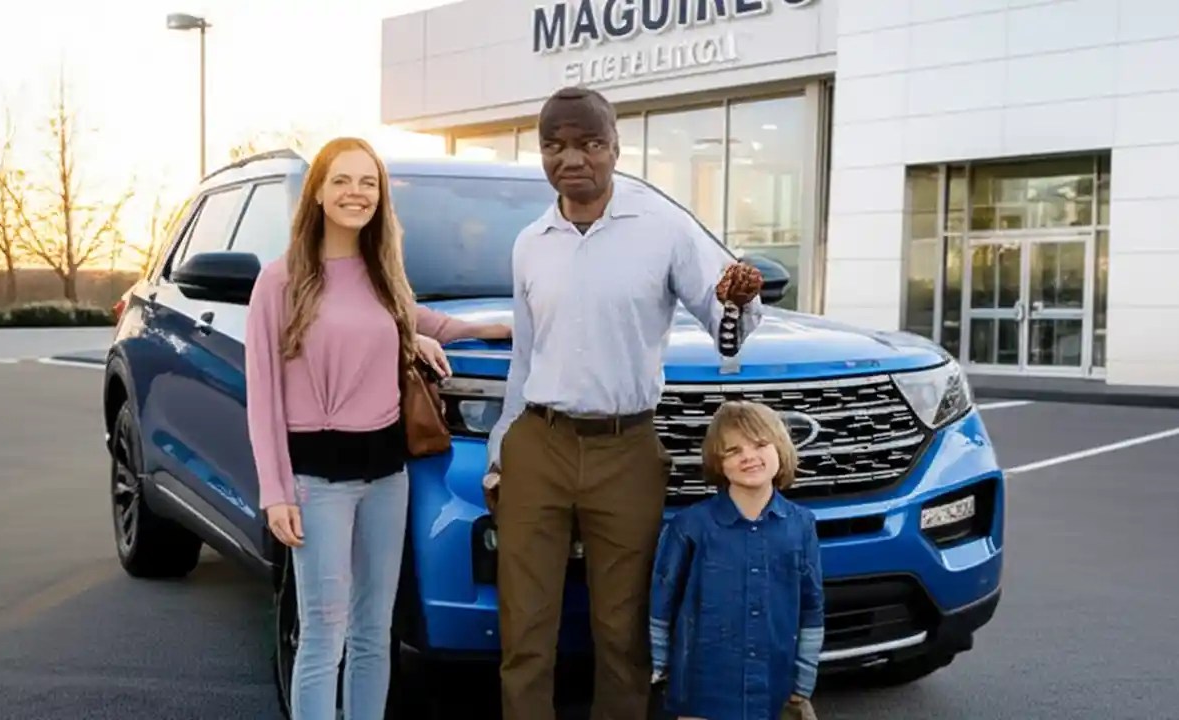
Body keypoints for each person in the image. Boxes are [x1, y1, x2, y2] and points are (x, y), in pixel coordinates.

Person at [483, 86, 766, 720]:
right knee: (525, 632)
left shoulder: (662, 228)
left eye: (588, 142)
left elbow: (731, 324)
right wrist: (502, 450)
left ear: (614, 147)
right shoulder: (531, 242)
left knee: (623, 632)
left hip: (627, 449)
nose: (571, 158)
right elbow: (525, 360)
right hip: (539, 443)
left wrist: (741, 299)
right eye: (554, 145)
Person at [245, 136, 510, 720]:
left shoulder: (383, 271)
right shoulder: (281, 280)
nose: (355, 193)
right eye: (341, 180)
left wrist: (505, 326)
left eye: (368, 183)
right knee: (324, 632)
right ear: (316, 191)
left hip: (389, 475)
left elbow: (426, 322)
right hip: (317, 479)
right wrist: (276, 492)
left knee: (373, 630)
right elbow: (261, 396)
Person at [649, 400, 824, 720]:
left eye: (759, 444)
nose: (749, 456)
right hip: (701, 695)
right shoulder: (690, 527)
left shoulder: (801, 525)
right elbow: (662, 601)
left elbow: (811, 608)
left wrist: (804, 680)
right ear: (718, 462)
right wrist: (660, 667)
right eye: (733, 450)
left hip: (774, 692)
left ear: (780, 449)